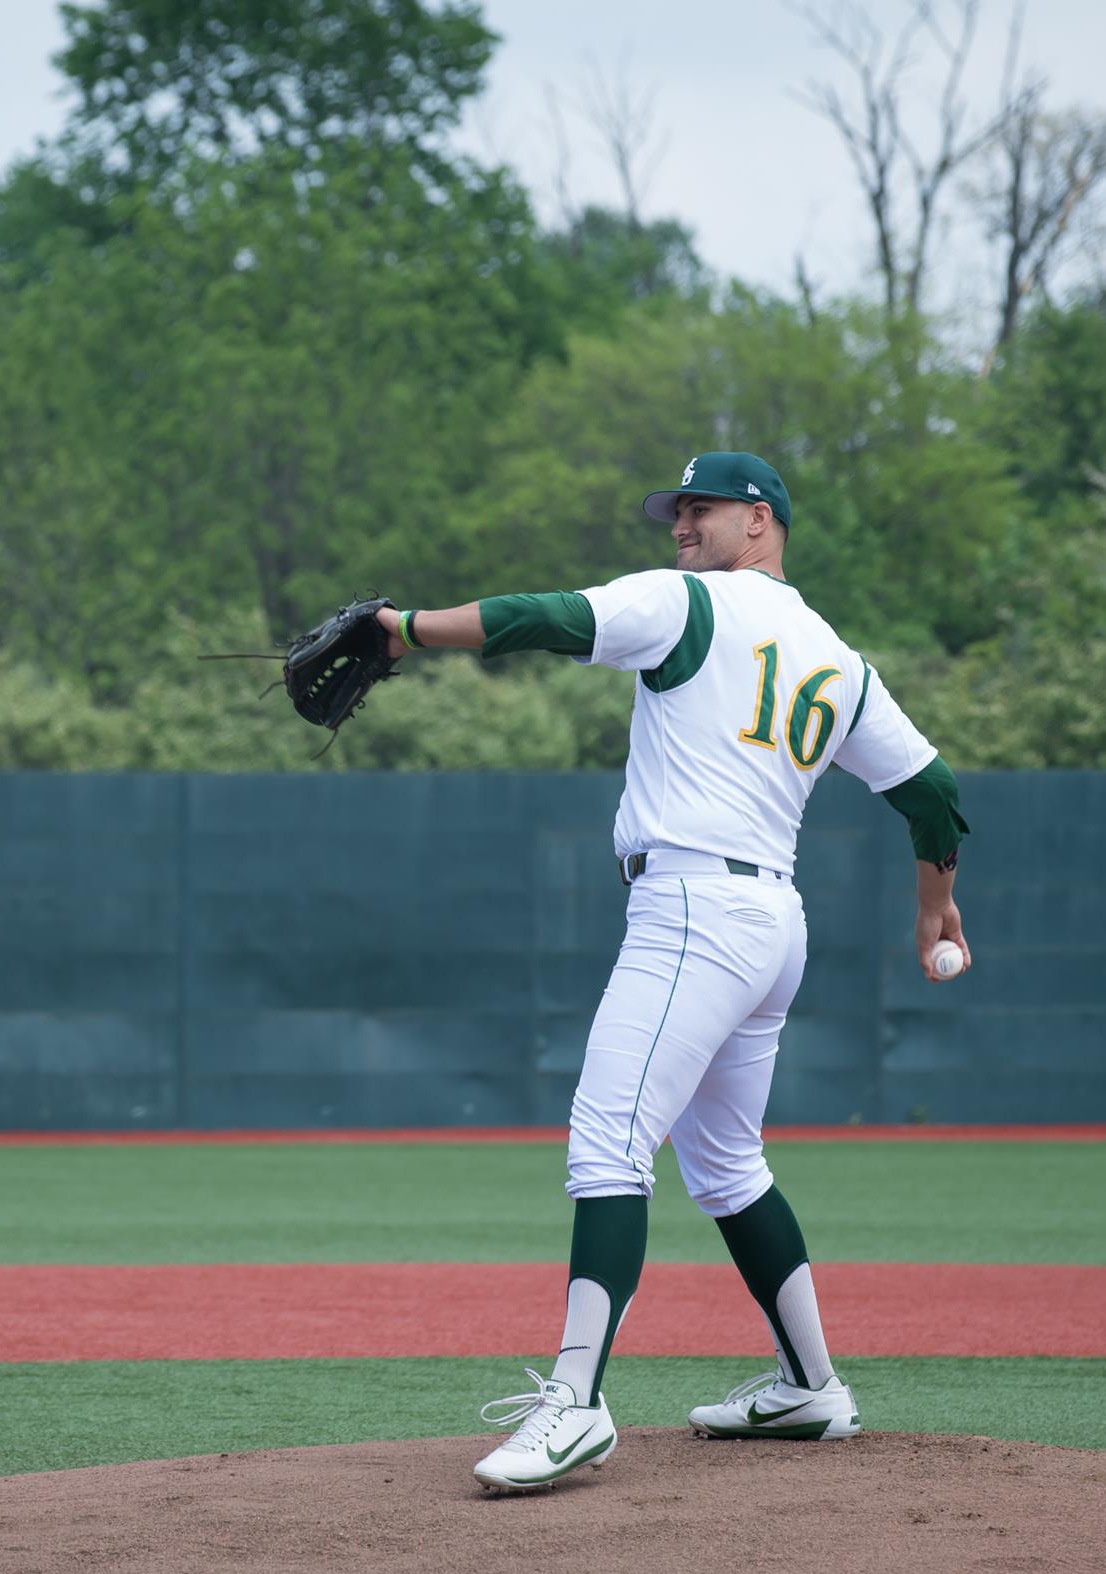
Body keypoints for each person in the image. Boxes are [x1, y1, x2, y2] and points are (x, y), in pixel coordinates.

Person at [376, 451, 973, 1493]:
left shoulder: (689, 603)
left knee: (608, 1138)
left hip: (693, 909)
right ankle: (810, 1384)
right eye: (675, 512)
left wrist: (407, 627)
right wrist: (933, 910)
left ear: (761, 520)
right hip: (769, 920)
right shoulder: (839, 658)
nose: (679, 525)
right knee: (728, 1164)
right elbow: (933, 791)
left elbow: (543, 617)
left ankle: (573, 1404)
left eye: (699, 509)